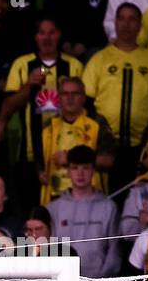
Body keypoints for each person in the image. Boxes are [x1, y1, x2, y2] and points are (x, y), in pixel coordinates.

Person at [0, 16, 86, 210]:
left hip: (64, 155)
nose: (47, 38)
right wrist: (29, 86)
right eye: (41, 33)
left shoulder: (74, 67)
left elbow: (84, 110)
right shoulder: (22, 64)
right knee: (30, 214)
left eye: (52, 32)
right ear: (35, 37)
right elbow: (9, 106)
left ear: (59, 35)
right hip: (28, 155)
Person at [83, 2, 148, 192]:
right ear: (115, 22)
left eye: (132, 19)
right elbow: (86, 103)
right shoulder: (99, 59)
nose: (126, 24)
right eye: (121, 18)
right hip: (105, 148)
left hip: (142, 149)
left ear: (140, 25)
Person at [37, 76, 115, 204]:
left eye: (75, 94)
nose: (70, 98)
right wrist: (40, 173)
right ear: (59, 98)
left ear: (84, 98)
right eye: (65, 94)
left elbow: (108, 160)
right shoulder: (48, 126)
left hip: (89, 196)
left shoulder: (97, 123)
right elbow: (40, 162)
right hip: (55, 197)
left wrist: (70, 159)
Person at [47, 144, 121, 276]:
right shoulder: (53, 208)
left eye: (86, 168)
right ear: (68, 171)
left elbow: (114, 252)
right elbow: (49, 250)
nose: (80, 173)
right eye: (75, 168)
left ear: (93, 170)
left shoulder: (109, 207)